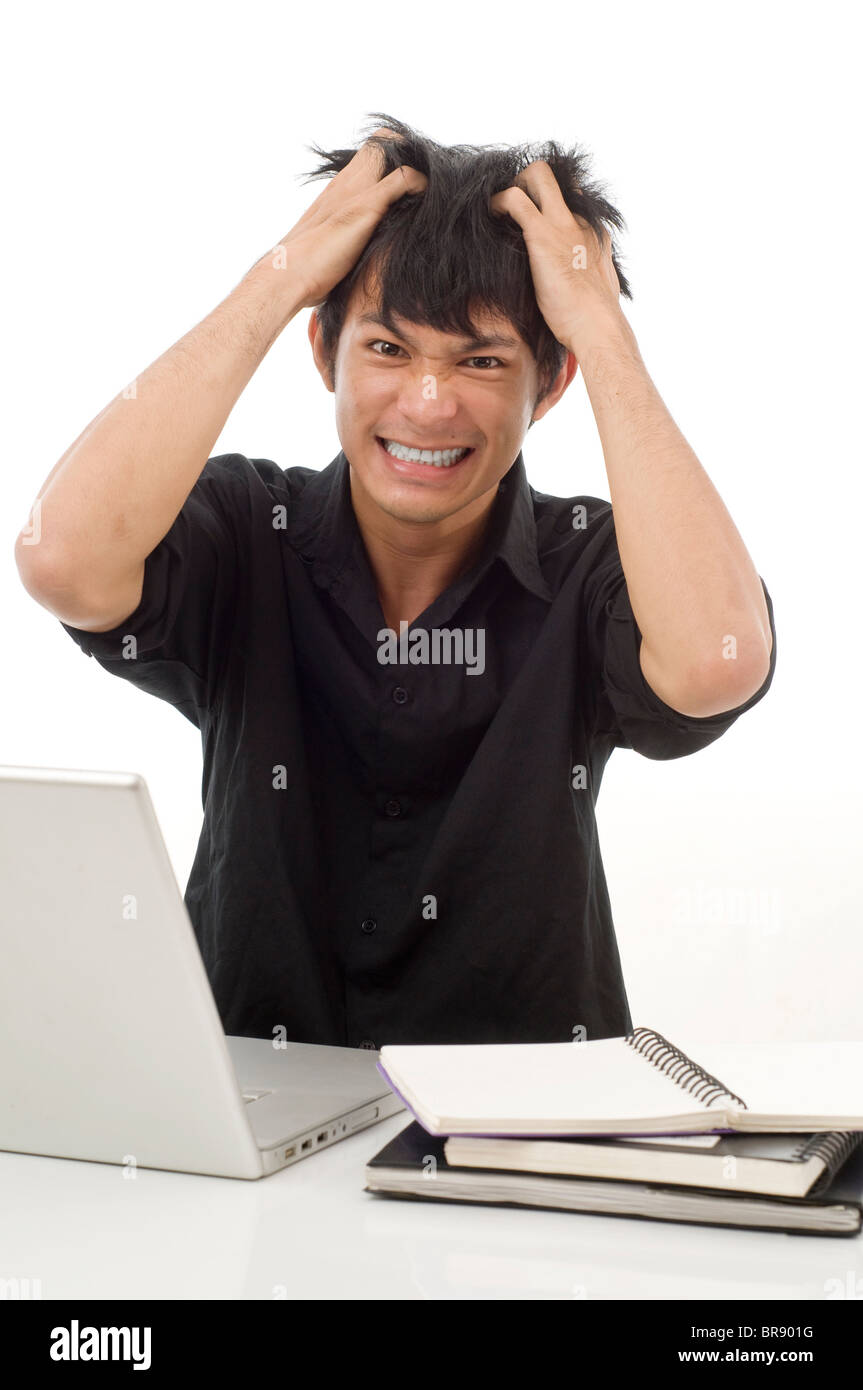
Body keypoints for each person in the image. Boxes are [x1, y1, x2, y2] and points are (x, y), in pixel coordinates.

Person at [14, 113, 776, 1050]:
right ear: (324, 356)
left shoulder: (592, 560)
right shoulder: (250, 526)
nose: (426, 401)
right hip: (251, 1106)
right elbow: (62, 559)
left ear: (551, 382)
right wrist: (282, 277)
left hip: (527, 1132)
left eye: (482, 361)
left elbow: (716, 663)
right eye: (385, 348)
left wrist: (602, 330)